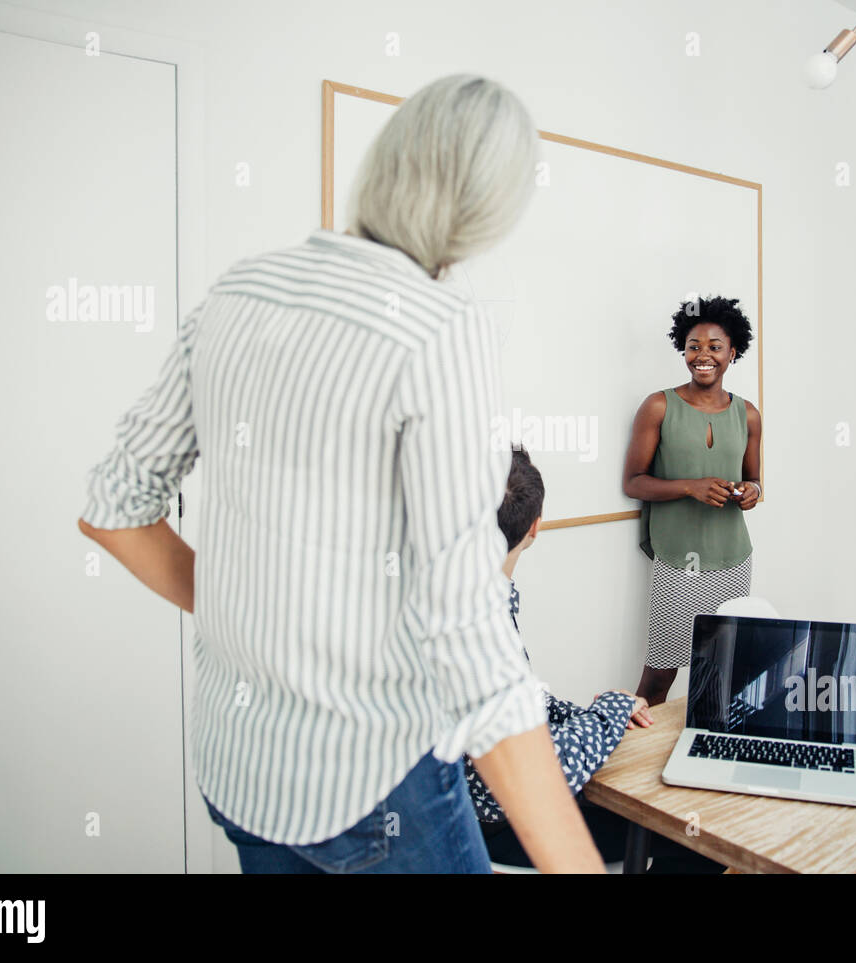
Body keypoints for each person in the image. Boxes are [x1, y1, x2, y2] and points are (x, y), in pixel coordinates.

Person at [77, 74, 605, 873]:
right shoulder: (442, 329)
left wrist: (242, 609)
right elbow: (469, 636)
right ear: (490, 214)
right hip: (374, 790)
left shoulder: (239, 289)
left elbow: (113, 508)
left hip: (240, 766)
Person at [467, 449, 725, 873]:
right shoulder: (477, 627)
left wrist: (593, 713)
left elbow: (522, 706)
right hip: (501, 826)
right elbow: (530, 780)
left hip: (496, 809)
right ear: (536, 527)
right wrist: (607, 715)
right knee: (701, 833)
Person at [623, 296, 762, 705]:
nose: (703, 356)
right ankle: (629, 763)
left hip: (733, 558)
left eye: (714, 347)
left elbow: (754, 479)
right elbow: (634, 481)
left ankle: (705, 756)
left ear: (732, 353)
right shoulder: (658, 406)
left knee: (722, 676)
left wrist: (751, 491)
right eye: (694, 346)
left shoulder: (748, 414)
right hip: (679, 560)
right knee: (658, 678)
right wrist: (689, 486)